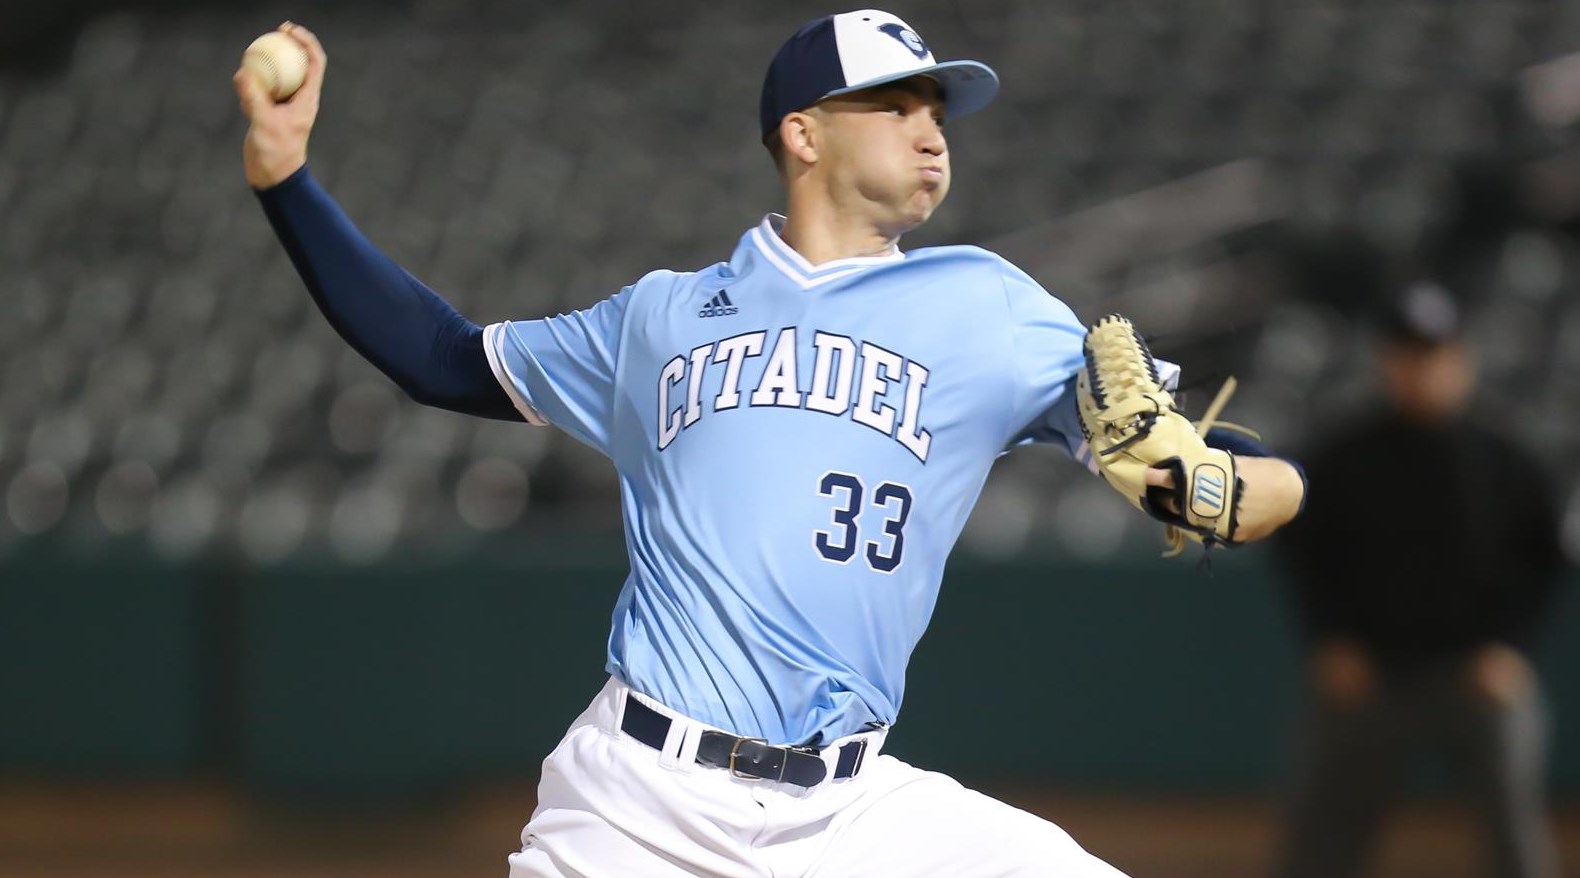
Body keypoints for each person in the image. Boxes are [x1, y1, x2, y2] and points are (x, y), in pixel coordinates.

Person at [234, 11, 1306, 876]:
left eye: (937, 108)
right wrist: (288, 183)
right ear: (802, 133)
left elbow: (1195, 456)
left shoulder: (989, 308)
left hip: (850, 814)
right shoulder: (657, 319)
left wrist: (1233, 481)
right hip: (637, 802)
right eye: (895, 104)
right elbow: (440, 357)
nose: (931, 130)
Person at [1270, 280, 1567, 878]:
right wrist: (1331, 637)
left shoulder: (1507, 460)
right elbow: (1304, 554)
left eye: (1434, 352)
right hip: (1373, 672)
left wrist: (1511, 646)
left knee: (1515, 820)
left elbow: (1546, 561)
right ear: (1387, 361)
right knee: (1320, 837)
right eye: (1407, 353)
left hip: (1474, 673)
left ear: (1461, 358)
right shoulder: (1344, 458)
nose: (1421, 368)